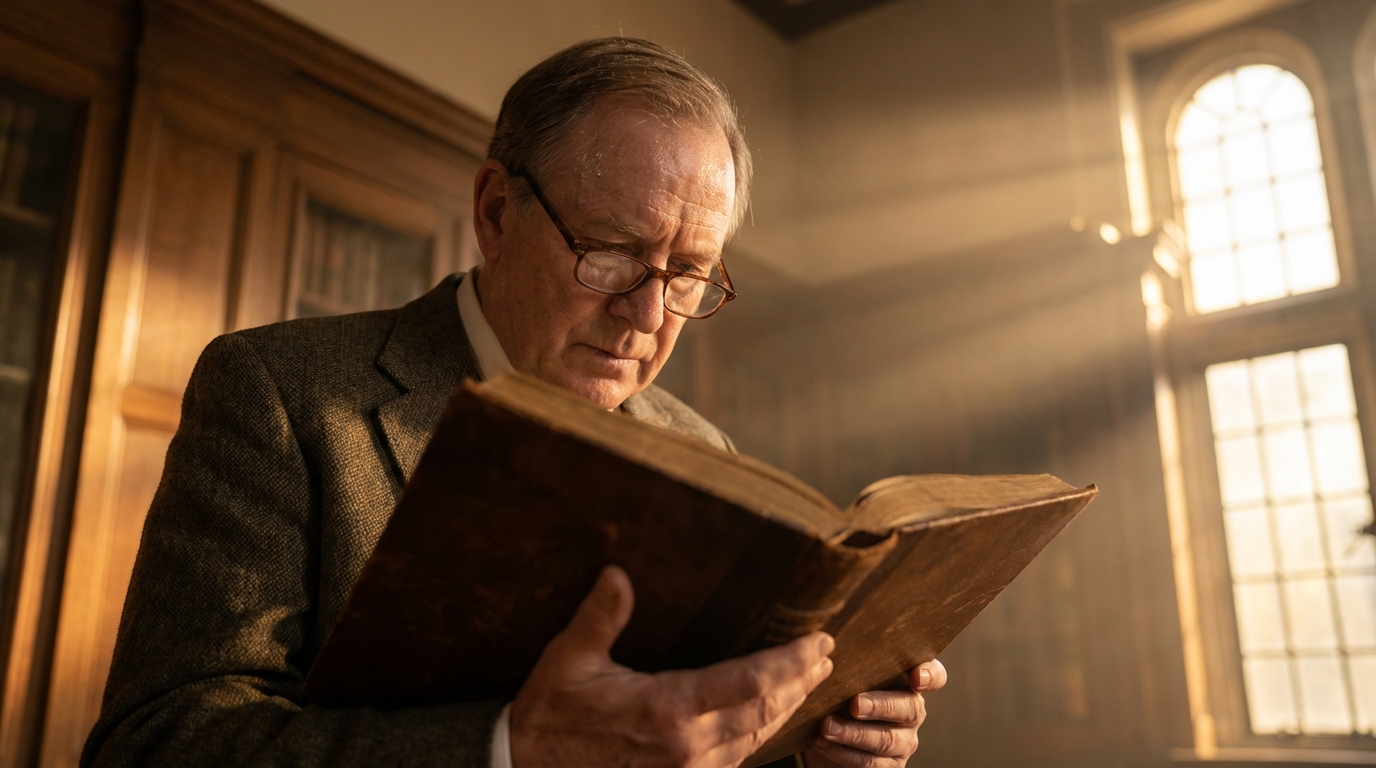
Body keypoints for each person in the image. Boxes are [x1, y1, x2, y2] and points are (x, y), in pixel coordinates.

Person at [82, 38, 946, 767]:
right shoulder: (281, 392)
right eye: (610, 253)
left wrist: (809, 746)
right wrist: (510, 748)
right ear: (496, 212)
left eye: (686, 275)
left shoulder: (703, 451)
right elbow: (157, 742)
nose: (647, 317)